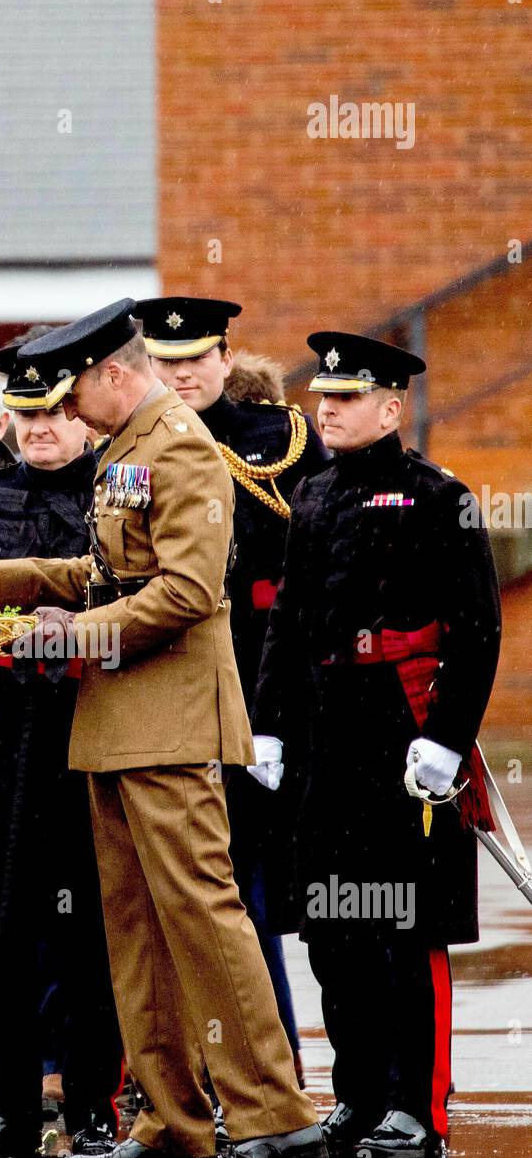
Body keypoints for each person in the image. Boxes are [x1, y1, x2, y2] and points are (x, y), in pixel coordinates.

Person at [0, 299, 321, 1158]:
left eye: (73, 391)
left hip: (169, 720)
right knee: (137, 930)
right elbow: (109, 570)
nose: (63, 412)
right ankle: (172, 1118)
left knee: (202, 916)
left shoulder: (179, 448)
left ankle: (271, 1113)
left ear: (113, 375)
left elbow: (188, 593)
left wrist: (69, 637)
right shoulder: (129, 446)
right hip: (117, 724)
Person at [251, 332, 501, 1158]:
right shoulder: (314, 495)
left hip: (401, 728)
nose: (327, 409)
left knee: (403, 925)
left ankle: (413, 1104)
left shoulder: (436, 494)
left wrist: (445, 738)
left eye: (347, 397)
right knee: (331, 925)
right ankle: (357, 1094)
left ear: (391, 406)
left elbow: (476, 627)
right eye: (323, 396)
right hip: (326, 732)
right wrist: (269, 723)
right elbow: (286, 624)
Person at [0, 346, 123, 1158]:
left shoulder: (115, 494)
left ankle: (93, 1107)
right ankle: (5, 1107)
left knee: (92, 937)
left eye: (53, 414)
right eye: (27, 416)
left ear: (77, 416)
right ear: (6, 418)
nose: (40, 430)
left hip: (84, 732)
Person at [138, 296, 331, 1089]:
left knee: (248, 899)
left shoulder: (279, 441)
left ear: (224, 358)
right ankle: (177, 1081)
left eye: (195, 360)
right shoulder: (132, 443)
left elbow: (313, 560)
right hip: (166, 684)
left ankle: (267, 1071)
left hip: (260, 686)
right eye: (166, 362)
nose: (181, 375)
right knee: (169, 903)